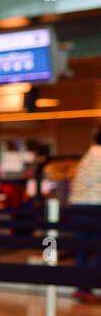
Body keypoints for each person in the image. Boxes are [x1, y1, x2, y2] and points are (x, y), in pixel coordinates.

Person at [68, 130, 101, 303]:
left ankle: (82, 288)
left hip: (78, 208)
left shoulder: (86, 157)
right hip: (96, 208)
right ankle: (88, 282)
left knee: (82, 249)